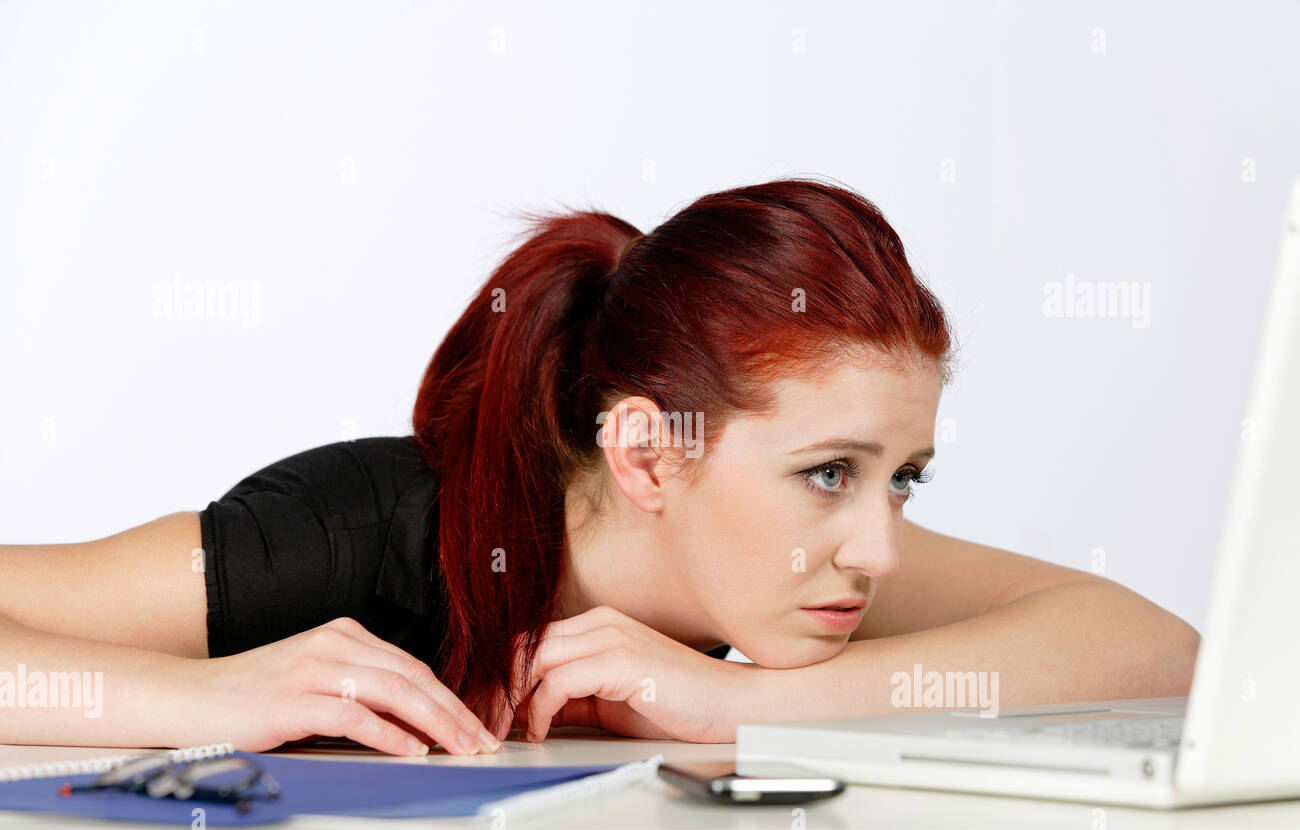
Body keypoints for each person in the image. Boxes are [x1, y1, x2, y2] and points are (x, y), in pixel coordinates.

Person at [0, 177, 1200, 756]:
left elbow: (1156, 648)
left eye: (905, 477)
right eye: (831, 472)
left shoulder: (803, 561)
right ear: (646, 452)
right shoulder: (360, 527)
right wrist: (211, 698)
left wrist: (743, 702)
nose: (878, 546)